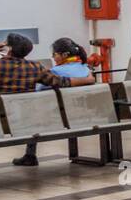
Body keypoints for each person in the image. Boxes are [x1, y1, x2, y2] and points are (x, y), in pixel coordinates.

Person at [13, 37, 92, 167]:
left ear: (64, 55)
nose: (53, 57)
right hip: (81, 114)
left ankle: (30, 155)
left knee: (31, 111)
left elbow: (37, 90)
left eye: (54, 54)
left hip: (52, 117)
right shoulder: (85, 69)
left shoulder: (56, 72)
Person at [0, 33, 90, 96]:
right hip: (22, 120)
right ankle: (30, 153)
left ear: (9, 49)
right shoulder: (35, 68)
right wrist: (88, 79)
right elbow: (62, 82)